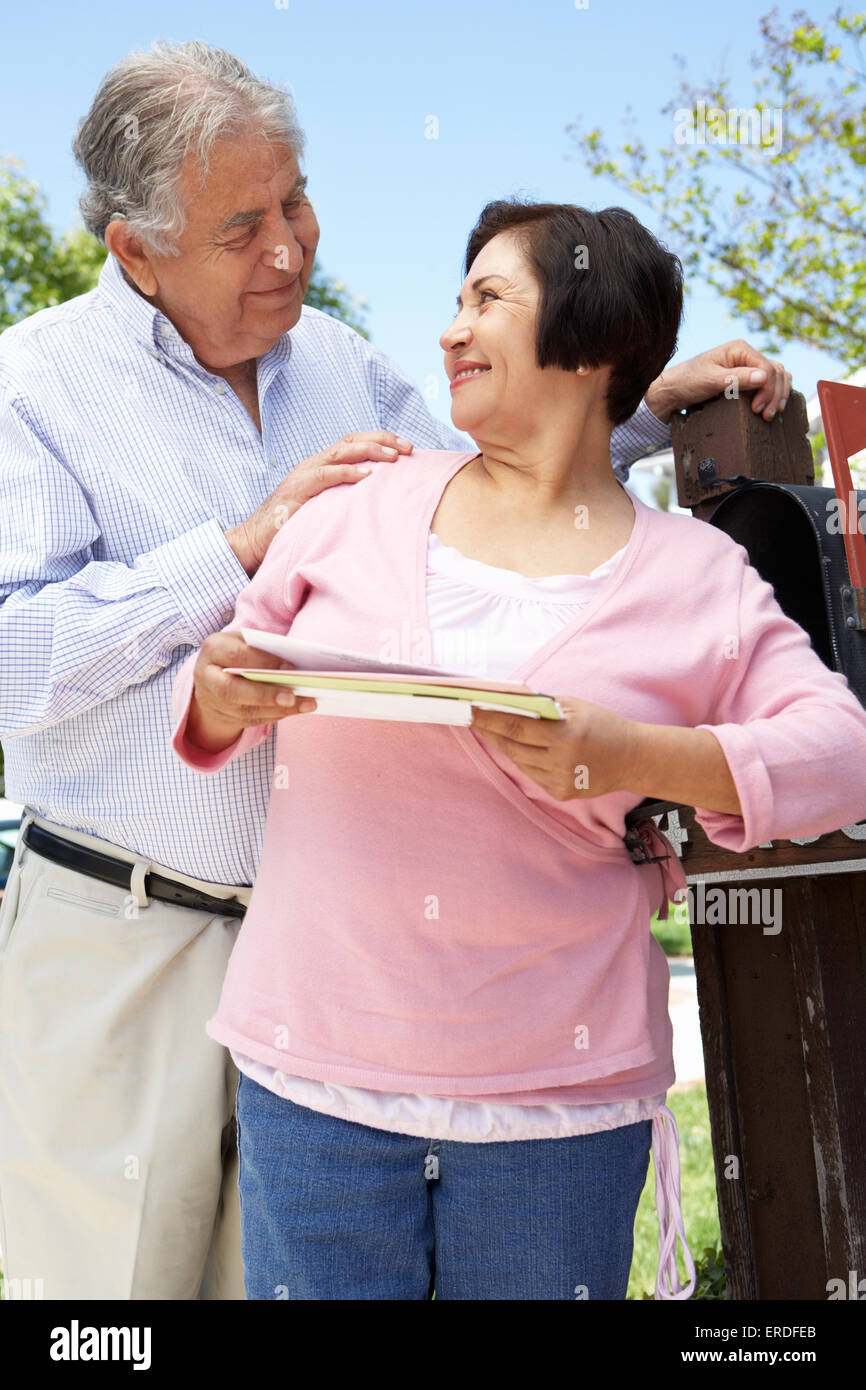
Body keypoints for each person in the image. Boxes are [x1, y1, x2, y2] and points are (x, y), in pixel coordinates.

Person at [0, 38, 791, 1302]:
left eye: (297, 198)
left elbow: (487, 481)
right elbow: (10, 655)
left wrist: (627, 395)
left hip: (324, 976)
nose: (291, 250)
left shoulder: (337, 360)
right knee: (107, 1308)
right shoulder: (31, 383)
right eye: (242, 227)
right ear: (134, 250)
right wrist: (238, 547)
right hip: (124, 936)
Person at [171, 195, 866, 1301]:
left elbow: (841, 751)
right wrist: (216, 696)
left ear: (593, 345)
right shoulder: (357, 505)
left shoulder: (695, 576)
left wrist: (635, 753)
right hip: (315, 1080)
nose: (450, 328)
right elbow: (220, 689)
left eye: (487, 298)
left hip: (557, 1101)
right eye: (455, 299)